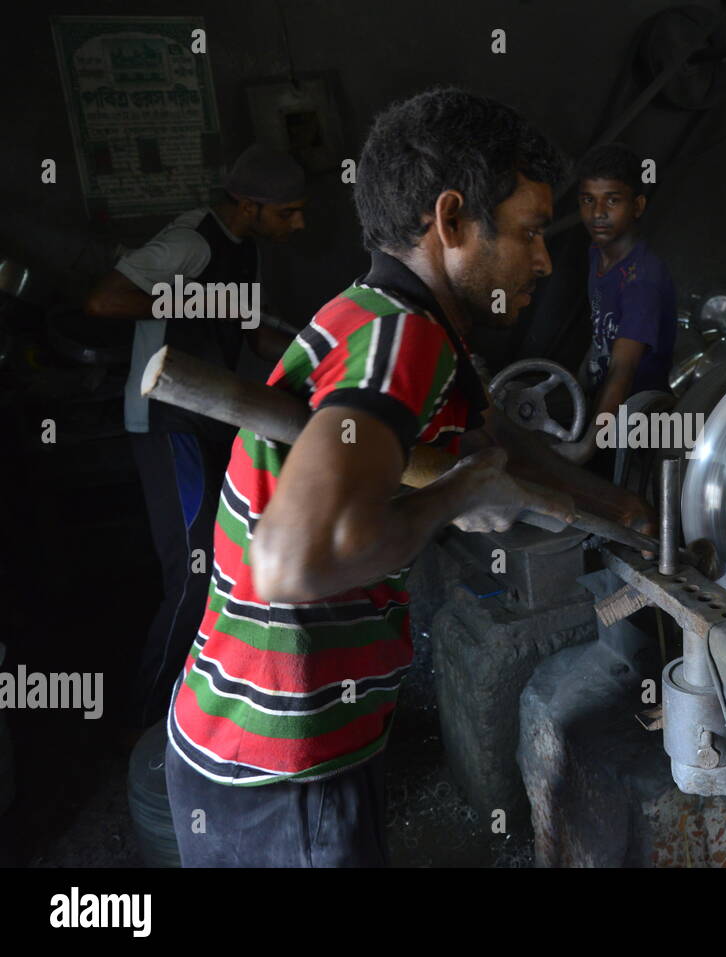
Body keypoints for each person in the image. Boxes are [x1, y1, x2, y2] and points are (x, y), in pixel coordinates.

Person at [162, 87, 654, 867]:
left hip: (268, 747)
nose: (546, 259)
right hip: (278, 774)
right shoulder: (400, 341)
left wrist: (619, 505)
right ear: (451, 221)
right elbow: (296, 561)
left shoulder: (389, 321)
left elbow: (497, 436)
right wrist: (461, 494)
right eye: (530, 232)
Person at [83, 145, 304, 730]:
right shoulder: (191, 243)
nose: (299, 223)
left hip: (212, 416)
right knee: (193, 573)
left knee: (226, 561)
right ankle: (144, 722)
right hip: (165, 422)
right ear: (251, 205)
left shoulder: (249, 251)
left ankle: (203, 704)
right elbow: (102, 299)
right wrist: (193, 299)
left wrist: (327, 356)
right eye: (289, 212)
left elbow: (255, 338)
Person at [561, 143, 676, 468]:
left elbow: (623, 370)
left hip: (641, 420)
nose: (598, 212)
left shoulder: (642, 280)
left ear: (637, 205)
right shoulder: (596, 254)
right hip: (603, 406)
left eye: (612, 200)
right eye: (588, 200)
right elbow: (601, 335)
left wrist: (586, 448)